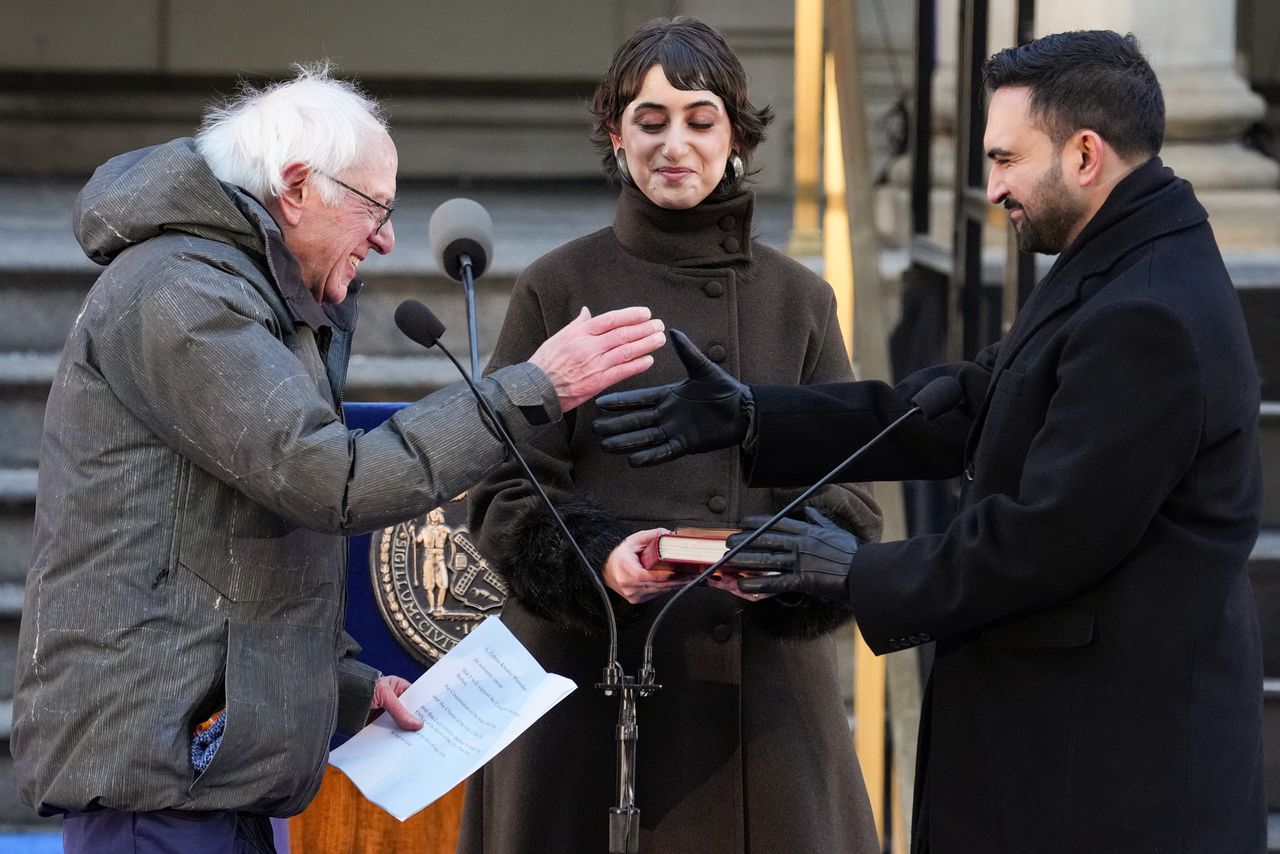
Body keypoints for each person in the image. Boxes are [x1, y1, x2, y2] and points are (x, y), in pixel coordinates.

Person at [594, 30, 1264, 853]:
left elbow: (1041, 541)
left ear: (1085, 155)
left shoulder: (1147, 312)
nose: (992, 189)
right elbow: (959, 404)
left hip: (1108, 780)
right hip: (1065, 761)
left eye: (1007, 160)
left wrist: (854, 572)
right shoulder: (1119, 265)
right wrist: (755, 419)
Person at [11, 63, 665, 854]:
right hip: (163, 775)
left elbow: (220, 550)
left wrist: (349, 688)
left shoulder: (236, 289)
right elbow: (329, 480)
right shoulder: (180, 294)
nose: (386, 238)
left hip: (205, 770)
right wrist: (532, 389)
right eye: (374, 209)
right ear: (295, 187)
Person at [458, 17, 882, 854]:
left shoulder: (800, 298)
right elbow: (504, 491)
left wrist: (785, 567)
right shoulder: (558, 285)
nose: (674, 144)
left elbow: (852, 495)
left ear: (736, 133)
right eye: (650, 122)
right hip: (583, 683)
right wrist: (603, 559)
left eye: (699, 119)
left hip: (755, 701)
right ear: (616, 137)